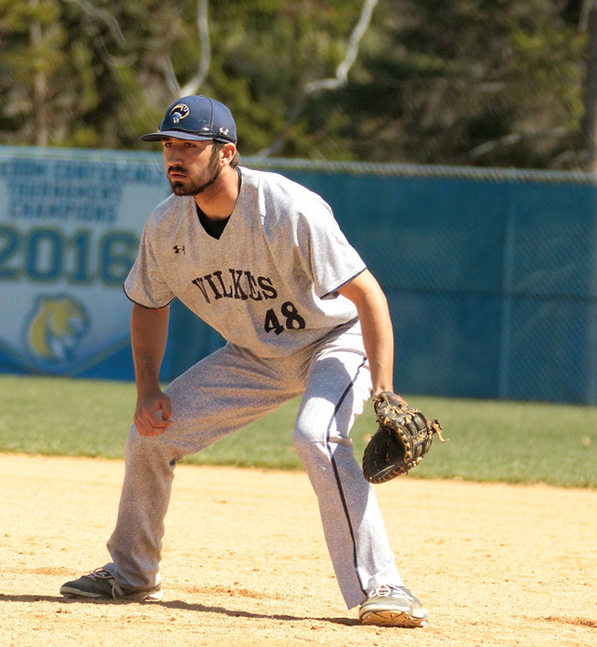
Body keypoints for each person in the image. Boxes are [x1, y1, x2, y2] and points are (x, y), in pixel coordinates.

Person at [60, 95, 428, 628]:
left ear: (226, 152)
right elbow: (148, 304)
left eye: (189, 146)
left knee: (316, 435)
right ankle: (133, 573)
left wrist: (385, 391)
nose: (174, 157)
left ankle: (383, 586)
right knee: (151, 436)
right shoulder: (166, 227)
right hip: (254, 357)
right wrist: (147, 389)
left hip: (332, 340)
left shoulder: (286, 208)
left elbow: (369, 296)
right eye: (168, 145)